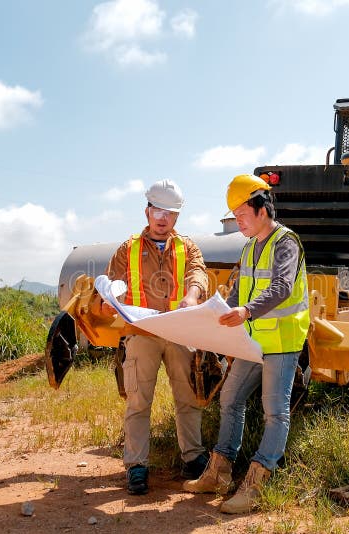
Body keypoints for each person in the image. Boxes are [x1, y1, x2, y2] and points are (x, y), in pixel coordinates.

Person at [183, 174, 310, 514]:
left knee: (275, 411)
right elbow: (239, 289)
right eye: (234, 216)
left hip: (282, 341)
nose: (237, 222)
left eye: (242, 215)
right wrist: (218, 315)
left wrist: (245, 311)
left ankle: (256, 483)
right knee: (230, 398)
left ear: (262, 209)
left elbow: (282, 287)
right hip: (252, 340)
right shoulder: (250, 246)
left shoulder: (286, 242)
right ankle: (219, 473)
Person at [102, 179, 210, 495]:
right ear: (147, 210)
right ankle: (137, 467)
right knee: (138, 401)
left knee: (188, 397)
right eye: (158, 210)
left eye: (170, 213)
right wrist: (109, 302)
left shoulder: (187, 247)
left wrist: (192, 296)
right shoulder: (128, 249)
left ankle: (193, 458)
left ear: (177, 217)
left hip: (178, 331)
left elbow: (197, 274)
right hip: (141, 333)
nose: (163, 218)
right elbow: (112, 286)